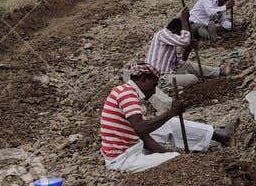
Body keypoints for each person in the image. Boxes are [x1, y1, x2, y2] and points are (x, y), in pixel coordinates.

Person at [99, 62, 231, 172]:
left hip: (133, 146)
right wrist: (170, 113)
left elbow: (143, 136)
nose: (154, 90)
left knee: (169, 124)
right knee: (176, 161)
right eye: (154, 85)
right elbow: (141, 129)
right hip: (123, 159)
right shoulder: (127, 95)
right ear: (144, 79)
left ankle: (216, 135)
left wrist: (164, 153)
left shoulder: (125, 91)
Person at [145, 15, 227, 104]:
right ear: (175, 31)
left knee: (188, 65)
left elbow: (180, 62)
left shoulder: (170, 42)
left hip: (170, 72)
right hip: (160, 78)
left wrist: (189, 49)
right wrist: (184, 21)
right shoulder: (162, 34)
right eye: (180, 33)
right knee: (193, 78)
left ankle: (217, 71)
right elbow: (184, 41)